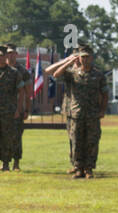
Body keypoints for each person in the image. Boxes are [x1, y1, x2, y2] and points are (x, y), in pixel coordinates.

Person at [46, 44, 108, 178]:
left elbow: (105, 94)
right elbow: (55, 74)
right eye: (82, 57)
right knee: (76, 141)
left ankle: (89, 168)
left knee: (92, 141)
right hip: (76, 113)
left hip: (92, 114)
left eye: (87, 57)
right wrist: (68, 61)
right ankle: (78, 168)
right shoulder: (73, 73)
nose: (85, 60)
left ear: (91, 58)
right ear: (79, 58)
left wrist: (102, 110)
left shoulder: (98, 75)